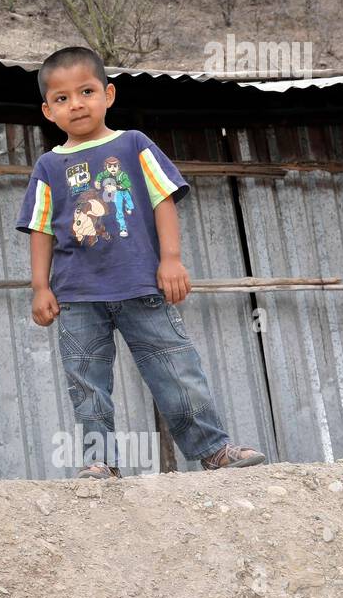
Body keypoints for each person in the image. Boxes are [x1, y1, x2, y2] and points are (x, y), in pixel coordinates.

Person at [18, 46, 266, 477]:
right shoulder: (48, 166)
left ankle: (214, 449)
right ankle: (101, 463)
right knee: (87, 385)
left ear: (108, 95)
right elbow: (40, 229)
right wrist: (41, 286)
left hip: (142, 288)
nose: (75, 104)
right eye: (61, 98)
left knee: (176, 371)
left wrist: (171, 260)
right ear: (47, 110)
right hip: (77, 298)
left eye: (86, 91)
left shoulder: (134, 144)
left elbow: (162, 199)